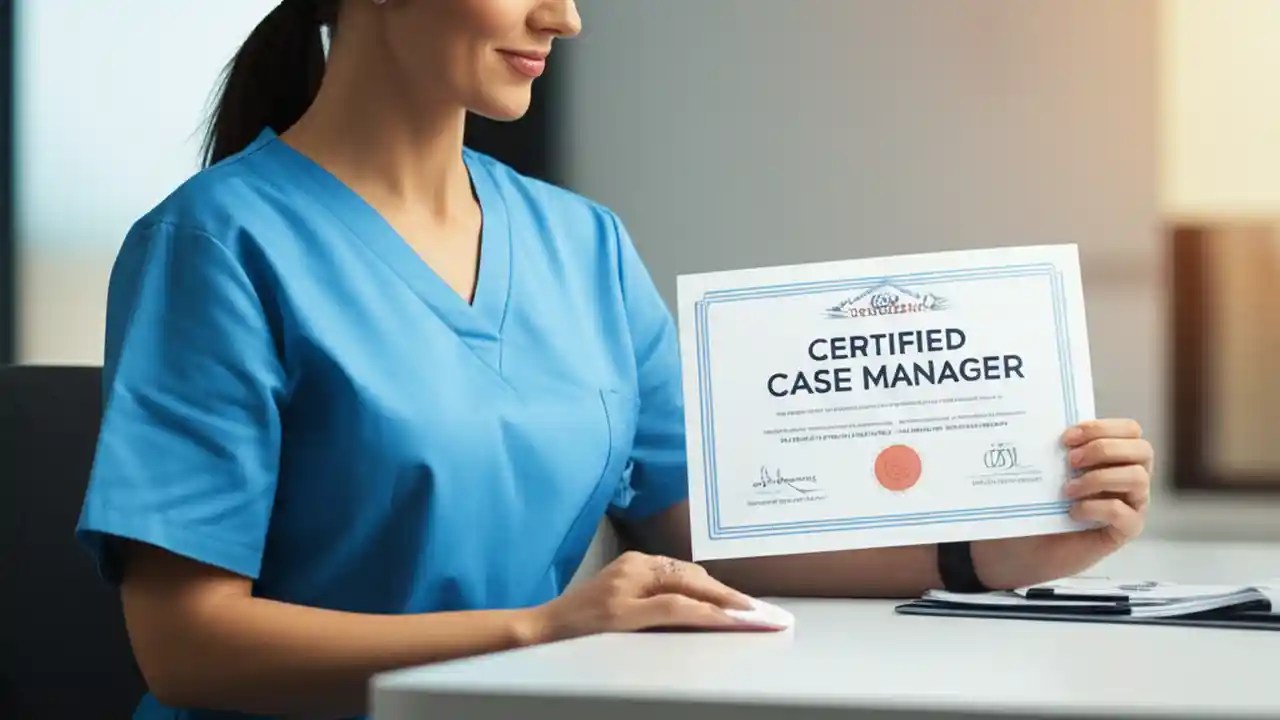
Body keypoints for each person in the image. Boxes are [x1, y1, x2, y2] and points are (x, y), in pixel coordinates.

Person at [75, 1, 1155, 718]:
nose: (567, 15)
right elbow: (186, 647)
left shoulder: (578, 242)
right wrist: (539, 633)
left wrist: (988, 555)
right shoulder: (215, 245)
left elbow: (704, 539)